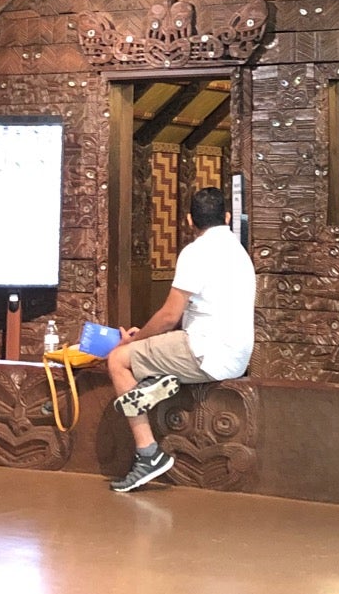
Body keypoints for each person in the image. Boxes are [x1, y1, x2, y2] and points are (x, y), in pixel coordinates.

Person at [105, 185, 254, 493]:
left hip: (205, 353)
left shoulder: (196, 252)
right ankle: (153, 384)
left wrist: (131, 342)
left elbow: (169, 315)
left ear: (189, 221)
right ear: (227, 217)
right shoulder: (240, 252)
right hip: (237, 357)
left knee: (119, 360)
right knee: (156, 348)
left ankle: (148, 455)